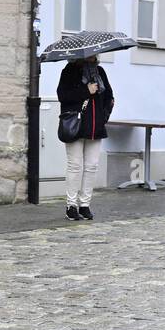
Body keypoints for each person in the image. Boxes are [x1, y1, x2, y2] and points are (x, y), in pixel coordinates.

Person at [56, 54, 114, 220]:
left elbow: (109, 96)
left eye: (94, 54)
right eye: (89, 54)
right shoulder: (69, 71)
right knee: (75, 166)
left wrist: (103, 117)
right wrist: (85, 91)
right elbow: (63, 96)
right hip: (76, 125)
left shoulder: (100, 72)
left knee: (91, 166)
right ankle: (71, 205)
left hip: (96, 127)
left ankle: (84, 205)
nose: (92, 56)